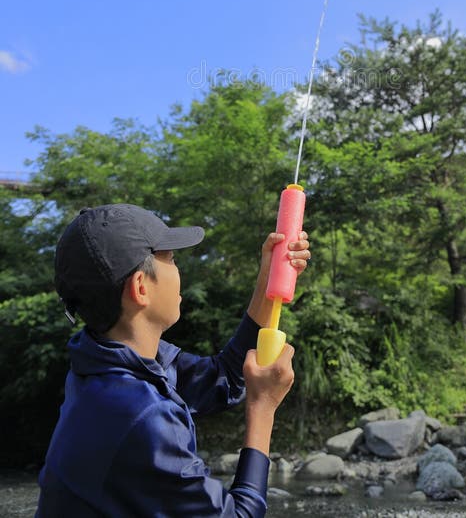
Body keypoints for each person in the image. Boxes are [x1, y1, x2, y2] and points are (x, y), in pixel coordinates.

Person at [36, 202, 311, 517]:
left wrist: (269, 277)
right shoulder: (141, 415)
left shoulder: (104, 358)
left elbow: (224, 379)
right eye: (171, 258)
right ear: (141, 287)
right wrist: (263, 409)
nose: (178, 268)